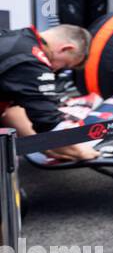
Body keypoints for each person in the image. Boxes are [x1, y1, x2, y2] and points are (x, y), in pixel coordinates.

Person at [0, 24, 96, 163]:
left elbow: (12, 111)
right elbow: (49, 123)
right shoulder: (30, 61)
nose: (56, 71)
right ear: (66, 49)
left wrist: (44, 147)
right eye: (64, 65)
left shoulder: (15, 38)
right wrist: (83, 152)